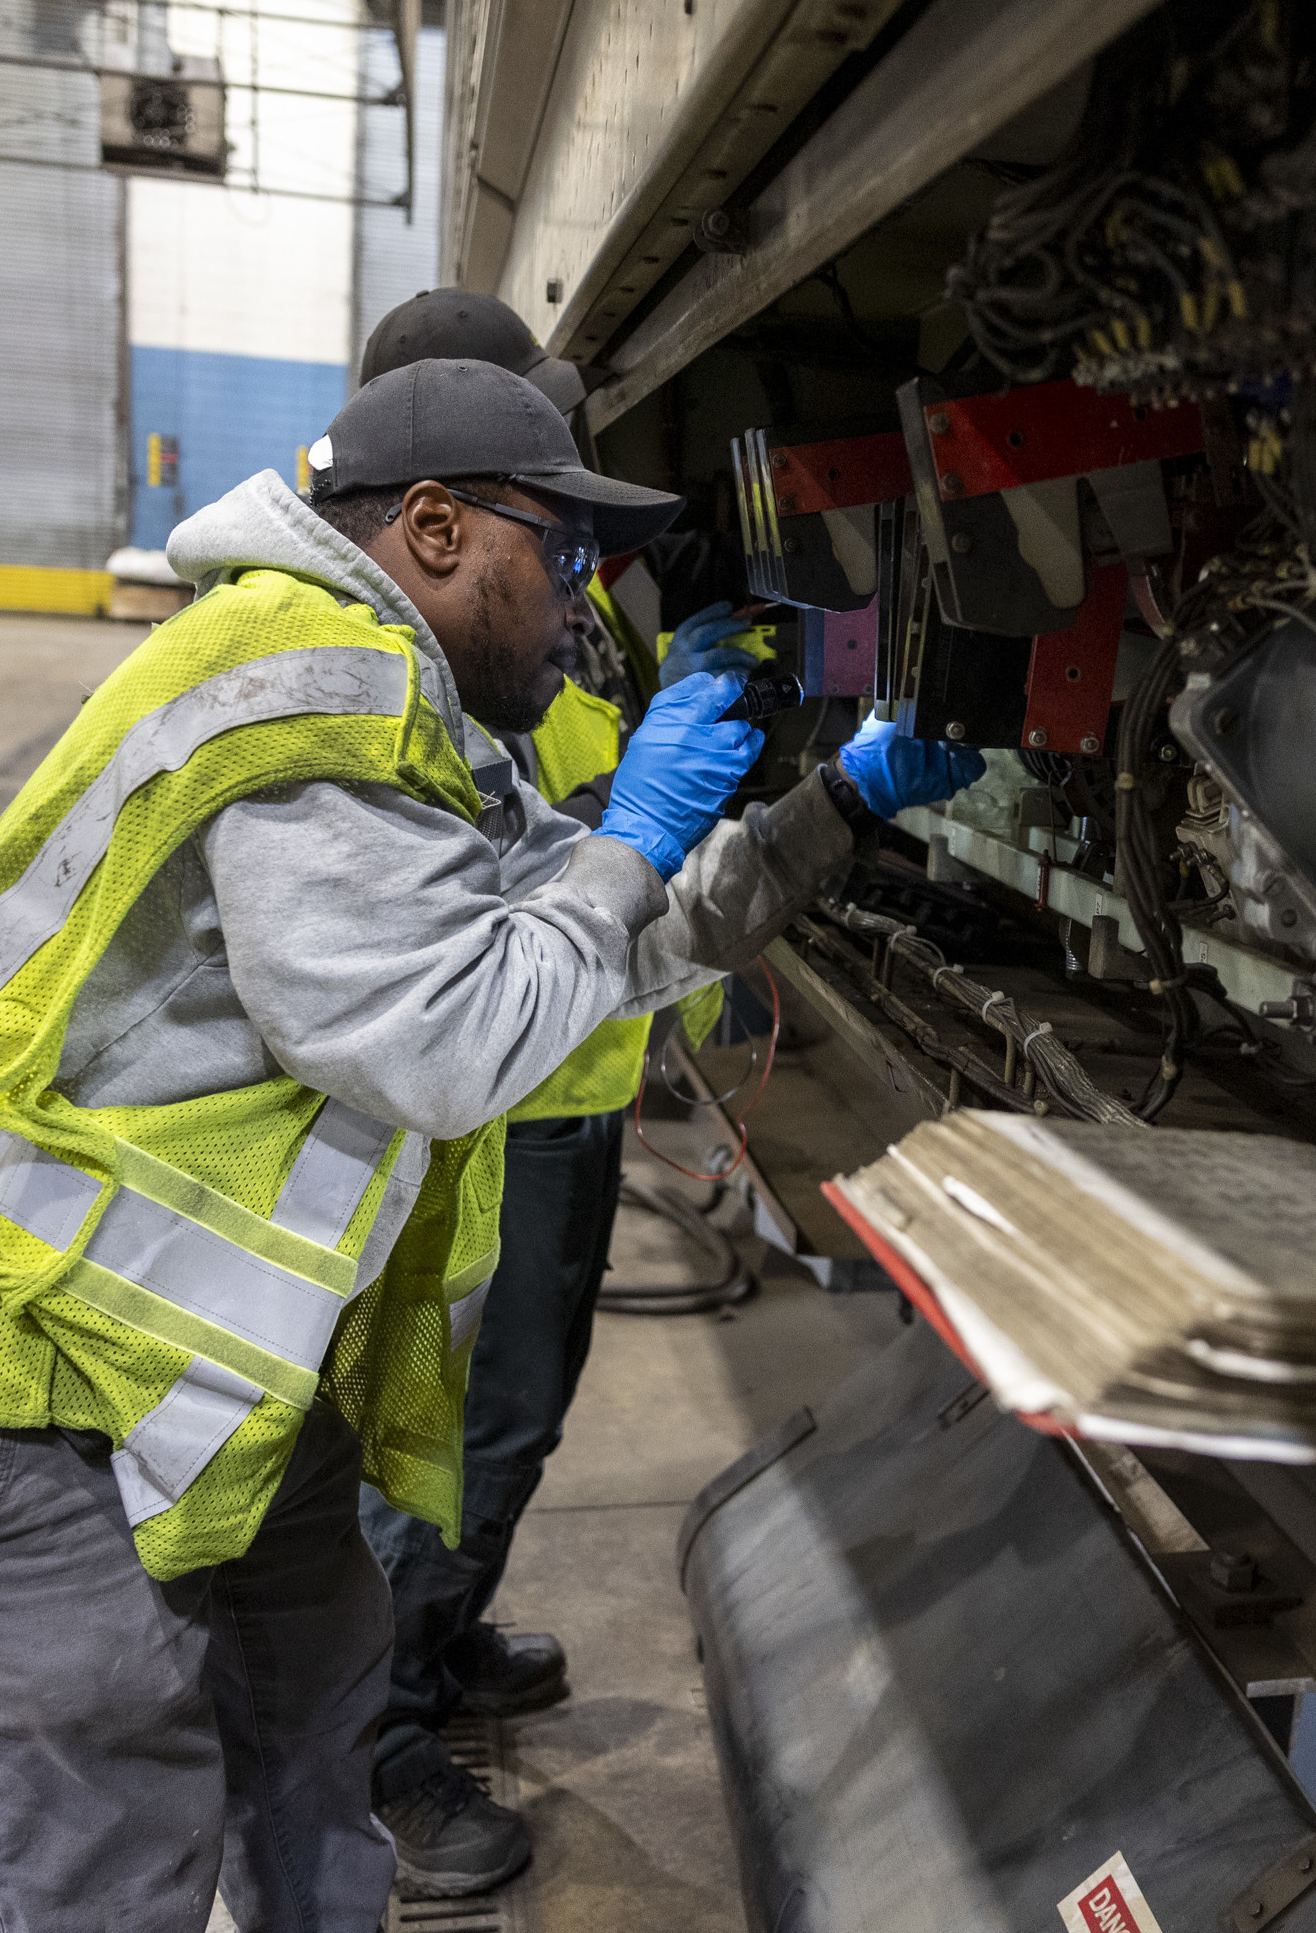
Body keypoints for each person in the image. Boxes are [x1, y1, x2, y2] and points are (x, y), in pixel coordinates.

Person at [0, 354, 979, 1932]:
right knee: (98, 1872)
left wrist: (831, 813)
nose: (584, 598)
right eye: (560, 551)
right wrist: (636, 831)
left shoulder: (416, 725)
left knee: (319, 1761)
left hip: (187, 1372)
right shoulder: (308, 679)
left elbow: (588, 953)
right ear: (437, 527)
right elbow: (447, 1039)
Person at [340, 291, 895, 1898]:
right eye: (541, 476)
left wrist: (823, 796)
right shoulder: (393, 651)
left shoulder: (541, 604)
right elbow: (499, 879)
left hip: (567, 1055)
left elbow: (588, 869)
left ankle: (427, 1657)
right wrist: (640, 791)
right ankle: (375, 1741)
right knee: (443, 1433)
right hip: (480, 1092)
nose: (567, 508)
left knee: (511, 1415)